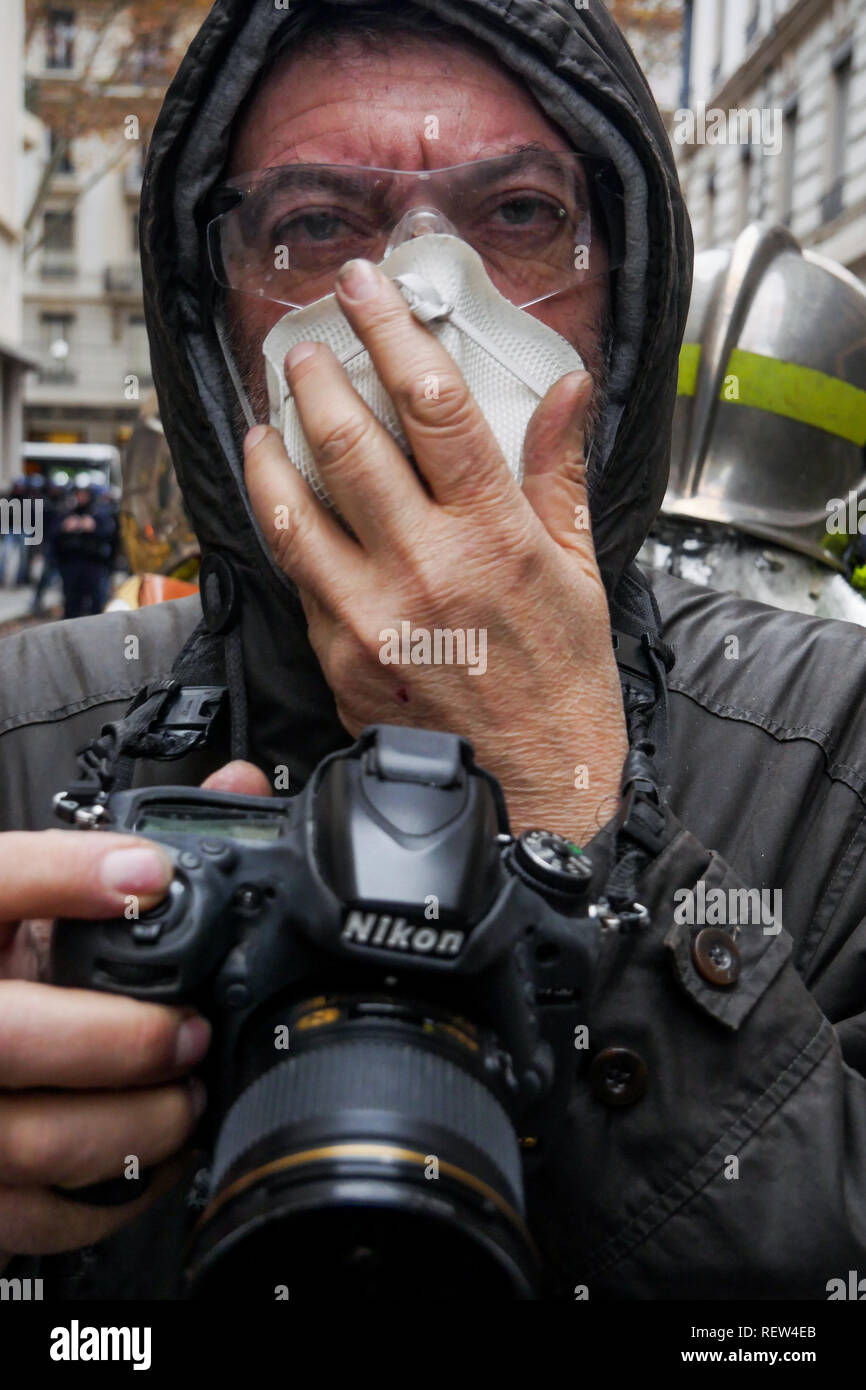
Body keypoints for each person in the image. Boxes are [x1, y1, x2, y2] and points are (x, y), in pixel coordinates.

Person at [1, 0, 865, 1302]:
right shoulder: (29, 733)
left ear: (622, 301)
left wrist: (566, 790)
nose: (419, 304)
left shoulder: (830, 745)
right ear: (211, 332)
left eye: (516, 216)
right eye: (315, 227)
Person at [53, 473, 118, 620]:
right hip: (71, 563)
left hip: (94, 563)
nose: (81, 497)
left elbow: (111, 535)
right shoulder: (66, 512)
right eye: (78, 493)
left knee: (96, 605)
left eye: (84, 494)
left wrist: (93, 528)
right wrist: (65, 528)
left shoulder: (100, 513)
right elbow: (53, 537)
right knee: (71, 604)